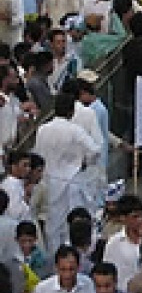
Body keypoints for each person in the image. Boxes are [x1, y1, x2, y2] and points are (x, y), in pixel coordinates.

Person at [33, 92, 101, 252]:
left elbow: (38, 153)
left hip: (48, 180)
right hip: (71, 181)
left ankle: (55, 256)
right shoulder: (75, 130)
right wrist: (84, 161)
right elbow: (95, 150)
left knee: (52, 224)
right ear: (72, 111)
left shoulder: (42, 130)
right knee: (72, 223)